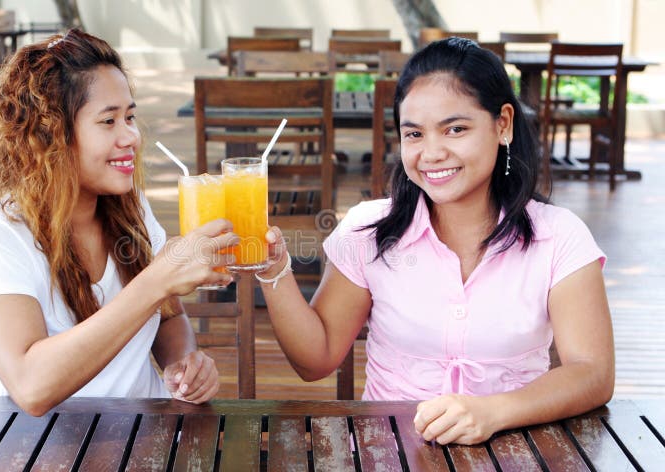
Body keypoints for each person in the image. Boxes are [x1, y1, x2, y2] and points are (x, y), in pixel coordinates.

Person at [256, 38, 614, 445]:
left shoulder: (560, 236)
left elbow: (592, 373)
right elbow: (314, 360)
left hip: (516, 451)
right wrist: (275, 273)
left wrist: (493, 411)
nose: (432, 153)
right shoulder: (367, 231)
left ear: (503, 125)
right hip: (389, 452)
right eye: (414, 134)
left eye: (455, 129)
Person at [0, 29, 237, 416]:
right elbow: (32, 387)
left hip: (148, 437)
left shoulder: (129, 209)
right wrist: (156, 281)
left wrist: (184, 361)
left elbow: (169, 317)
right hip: (43, 451)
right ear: (49, 135)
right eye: (108, 122)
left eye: (131, 117)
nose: (131, 137)